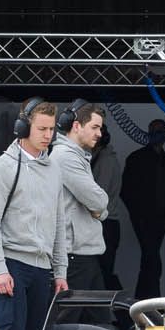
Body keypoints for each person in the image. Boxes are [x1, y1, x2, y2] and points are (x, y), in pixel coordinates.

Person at [0, 97, 68, 330]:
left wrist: (60, 271)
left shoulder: (53, 169)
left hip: (42, 269)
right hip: (13, 265)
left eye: (52, 129)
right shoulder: (2, 168)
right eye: (42, 129)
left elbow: (59, 222)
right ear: (22, 127)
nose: (48, 135)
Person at [50, 101, 111, 291]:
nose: (99, 134)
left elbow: (98, 204)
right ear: (76, 126)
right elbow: (99, 200)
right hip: (74, 256)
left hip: (81, 254)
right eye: (94, 127)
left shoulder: (76, 156)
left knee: (98, 317)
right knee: (68, 317)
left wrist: (100, 211)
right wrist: (100, 210)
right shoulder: (65, 157)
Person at [122, 119, 165, 299]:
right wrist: (138, 214)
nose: (159, 135)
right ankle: (149, 303)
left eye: (161, 131)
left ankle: (145, 303)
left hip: (160, 218)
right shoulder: (137, 158)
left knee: (150, 260)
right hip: (144, 219)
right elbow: (126, 191)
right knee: (152, 260)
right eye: (155, 131)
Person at [93, 125, 126, 290]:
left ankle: (121, 312)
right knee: (101, 273)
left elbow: (99, 196)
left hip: (106, 223)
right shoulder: (104, 158)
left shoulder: (106, 161)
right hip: (106, 222)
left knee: (103, 273)